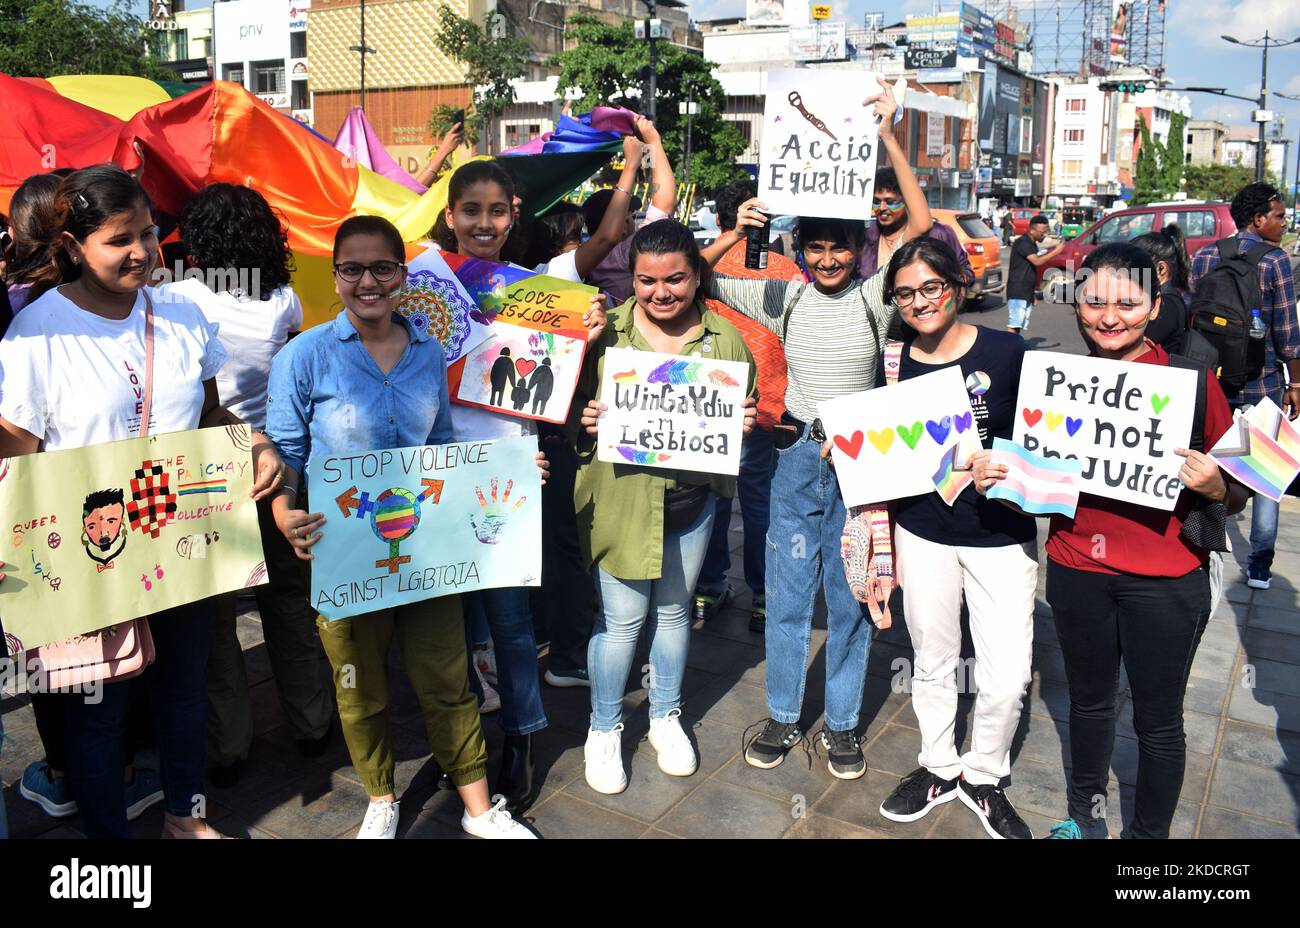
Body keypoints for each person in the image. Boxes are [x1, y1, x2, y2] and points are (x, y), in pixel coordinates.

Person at [0, 164, 285, 838]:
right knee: (99, 710)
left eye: (150, 235)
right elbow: (16, 457)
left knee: (184, 691)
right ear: (73, 247)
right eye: (119, 239)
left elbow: (212, 413)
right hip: (88, 546)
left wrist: (258, 446)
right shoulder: (37, 334)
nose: (140, 252)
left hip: (180, 534)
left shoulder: (184, 309)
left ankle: (186, 818)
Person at [265, 215, 535, 839]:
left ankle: (477, 808)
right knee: (359, 687)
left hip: (426, 550)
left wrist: (514, 472)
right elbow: (283, 449)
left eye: (382, 268)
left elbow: (441, 449)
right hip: (344, 552)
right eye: (353, 269)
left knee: (446, 679)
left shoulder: (427, 352)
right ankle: (381, 798)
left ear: (401, 275)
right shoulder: (305, 355)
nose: (368, 282)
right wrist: (283, 511)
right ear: (335, 277)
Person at [699, 80, 931, 779]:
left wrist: (890, 135)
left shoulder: (873, 295)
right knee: (791, 591)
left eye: (839, 248)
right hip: (795, 455)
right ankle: (780, 714)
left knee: (853, 591)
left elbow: (917, 224)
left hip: (863, 464)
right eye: (817, 248)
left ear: (858, 251)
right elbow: (698, 279)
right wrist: (738, 231)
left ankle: (841, 725)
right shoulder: (784, 295)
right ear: (799, 249)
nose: (828, 259)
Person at [1038, 243, 1247, 839]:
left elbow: (1239, 491)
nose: (1110, 316)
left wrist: (1216, 486)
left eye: (1128, 303)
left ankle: (1147, 841)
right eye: (1095, 300)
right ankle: (1083, 818)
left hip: (1167, 580)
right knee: (1088, 703)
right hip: (1077, 568)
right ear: (1076, 305)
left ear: (1155, 307)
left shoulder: (1192, 382)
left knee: (1158, 722)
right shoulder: (1057, 382)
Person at [435, 158, 608, 811]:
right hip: (436, 479)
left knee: (510, 622)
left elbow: (548, 379)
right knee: (449, 622)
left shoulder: (535, 292)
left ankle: (522, 736)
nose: (484, 223)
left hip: (510, 473)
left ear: (513, 217)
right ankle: (460, 740)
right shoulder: (423, 280)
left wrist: (584, 338)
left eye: (497, 211)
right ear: (450, 216)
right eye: (471, 211)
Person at [155, 182, 334, 788]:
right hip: (277, 458)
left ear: (198, 240)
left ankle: (227, 747)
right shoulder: (282, 298)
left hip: (206, 466)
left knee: (215, 617)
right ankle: (312, 725)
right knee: (289, 599)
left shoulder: (173, 297)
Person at [572, 219, 757, 794]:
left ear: (696, 274)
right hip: (623, 500)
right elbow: (561, 403)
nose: (661, 292)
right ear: (632, 279)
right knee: (621, 622)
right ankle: (603, 728)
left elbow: (737, 415)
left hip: (693, 501)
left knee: (676, 613)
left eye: (675, 278)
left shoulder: (725, 339)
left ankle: (666, 715)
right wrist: (585, 416)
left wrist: (744, 423)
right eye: (647, 281)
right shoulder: (603, 333)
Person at [869, 238, 1038, 839]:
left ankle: (985, 776)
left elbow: (1046, 446)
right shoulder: (890, 360)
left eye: (931, 287)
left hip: (1002, 533)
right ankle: (938, 766)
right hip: (924, 531)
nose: (920, 302)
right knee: (933, 659)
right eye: (906, 292)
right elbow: (879, 449)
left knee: (1009, 672)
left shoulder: (1010, 350)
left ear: (958, 287)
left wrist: (1008, 461)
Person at [692, 179, 801, 633]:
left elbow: (684, 276)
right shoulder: (788, 270)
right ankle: (762, 596)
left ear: (718, 218)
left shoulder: (708, 266)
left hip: (716, 401)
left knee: (714, 499)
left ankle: (710, 585)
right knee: (759, 502)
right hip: (768, 404)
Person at [1190, 183, 1299, 591]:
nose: (1284, 222)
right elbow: (1288, 332)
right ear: (1258, 219)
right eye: (1280, 216)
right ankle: (1258, 565)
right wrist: (1297, 382)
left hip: (1210, 380)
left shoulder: (1204, 255)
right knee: (1265, 472)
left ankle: (1202, 543)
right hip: (1261, 381)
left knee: (1207, 462)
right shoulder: (1275, 262)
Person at [581, 119, 677, 307]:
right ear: (622, 224)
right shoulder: (629, 250)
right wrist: (653, 142)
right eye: (631, 217)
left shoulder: (581, 259)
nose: (633, 222)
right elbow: (664, 203)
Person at [857, 166, 974, 283]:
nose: (882, 208)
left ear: (907, 201)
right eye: (876, 202)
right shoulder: (865, 237)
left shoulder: (938, 234)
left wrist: (944, 288)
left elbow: (965, 273)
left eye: (890, 202)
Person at [1132, 225, 1191, 354]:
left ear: (1161, 269)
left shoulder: (1167, 306)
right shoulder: (1167, 299)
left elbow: (1129, 347)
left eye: (1135, 265)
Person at [1006, 215, 1064, 334]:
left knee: (1019, 325)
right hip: (1018, 290)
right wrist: (1056, 252)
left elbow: (1029, 269)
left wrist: (1031, 294)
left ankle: (1014, 348)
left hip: (1025, 290)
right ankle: (1008, 349)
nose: (1045, 235)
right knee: (1014, 325)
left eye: (1047, 231)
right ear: (1032, 230)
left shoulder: (1032, 243)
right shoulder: (1023, 243)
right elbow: (1037, 262)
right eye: (1043, 232)